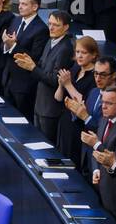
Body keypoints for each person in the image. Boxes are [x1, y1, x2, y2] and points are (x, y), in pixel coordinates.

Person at [13, 9, 74, 142]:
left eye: (56, 25)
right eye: (49, 23)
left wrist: (33, 67)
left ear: (66, 27)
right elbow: (41, 65)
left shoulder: (65, 49)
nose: (51, 28)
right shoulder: (50, 41)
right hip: (40, 103)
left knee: (46, 143)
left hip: (50, 108)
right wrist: (29, 62)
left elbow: (54, 79)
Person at [0, 0, 49, 120]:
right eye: (20, 3)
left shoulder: (41, 29)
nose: (20, 7)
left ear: (35, 7)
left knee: (21, 121)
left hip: (24, 86)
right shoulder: (16, 20)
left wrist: (14, 46)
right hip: (8, 79)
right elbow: (6, 44)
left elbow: (34, 57)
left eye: (24, 4)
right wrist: (6, 44)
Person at [55, 36, 101, 167]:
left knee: (72, 161)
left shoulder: (95, 77)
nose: (79, 56)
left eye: (84, 53)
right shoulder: (75, 68)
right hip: (64, 120)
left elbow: (82, 102)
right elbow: (58, 98)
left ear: (93, 55)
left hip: (78, 126)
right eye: (78, 52)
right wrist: (61, 85)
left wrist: (68, 85)